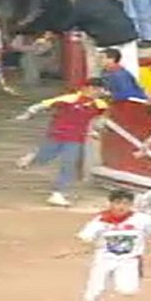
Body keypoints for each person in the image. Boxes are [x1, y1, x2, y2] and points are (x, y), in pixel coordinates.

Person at [74, 190, 151, 301]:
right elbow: (85, 237)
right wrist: (87, 246)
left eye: (126, 204)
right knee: (94, 289)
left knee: (128, 290)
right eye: (117, 203)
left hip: (129, 261)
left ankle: (114, 280)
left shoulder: (142, 219)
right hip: (104, 259)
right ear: (111, 204)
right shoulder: (100, 220)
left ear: (131, 205)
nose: (121, 207)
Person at [15, 78, 110, 207]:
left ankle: (58, 193)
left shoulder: (100, 105)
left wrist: (96, 130)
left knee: (69, 164)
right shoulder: (69, 99)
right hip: (56, 135)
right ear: (86, 88)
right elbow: (43, 105)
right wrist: (28, 114)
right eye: (95, 89)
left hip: (76, 138)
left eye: (99, 89)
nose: (97, 92)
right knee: (44, 159)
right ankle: (32, 158)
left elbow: (101, 118)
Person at [58, 0, 140, 79]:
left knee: (105, 69)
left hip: (107, 39)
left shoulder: (78, 7)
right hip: (128, 33)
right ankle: (135, 90)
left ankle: (107, 90)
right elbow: (119, 5)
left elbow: (66, 26)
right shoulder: (103, 0)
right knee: (131, 66)